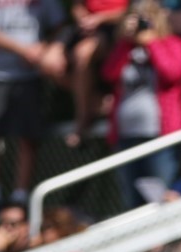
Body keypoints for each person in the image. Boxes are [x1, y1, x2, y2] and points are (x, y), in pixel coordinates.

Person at [0, 0, 66, 213]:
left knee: (29, 136)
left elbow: (60, 25)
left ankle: (20, 197)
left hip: (30, 76)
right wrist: (23, 50)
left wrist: (46, 48)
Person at [103, 1, 181, 208]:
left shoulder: (173, 44)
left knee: (160, 198)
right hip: (126, 135)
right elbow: (108, 74)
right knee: (132, 201)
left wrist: (151, 43)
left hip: (160, 137)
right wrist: (126, 43)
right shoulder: (124, 49)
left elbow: (173, 73)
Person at [59, 0, 130, 146]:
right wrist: (84, 20)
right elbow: (77, 6)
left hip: (117, 29)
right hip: (88, 29)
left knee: (83, 53)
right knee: (52, 61)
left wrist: (100, 18)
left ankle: (82, 120)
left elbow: (134, 11)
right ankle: (95, 102)